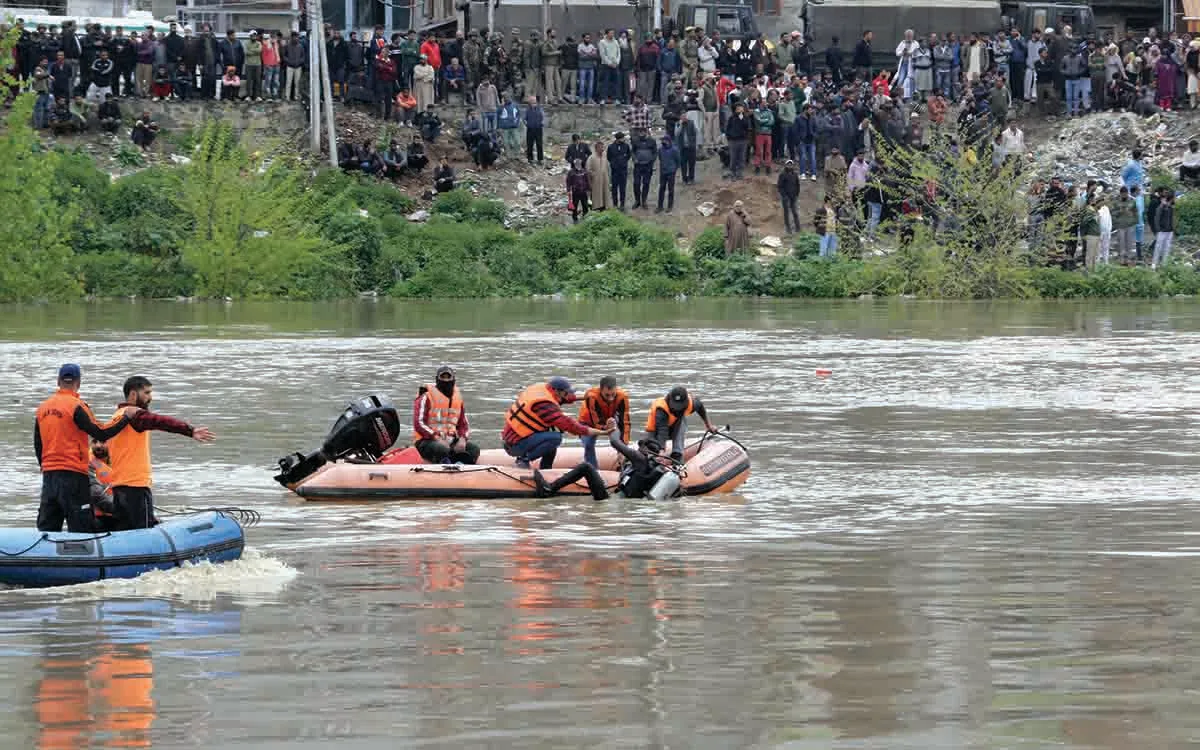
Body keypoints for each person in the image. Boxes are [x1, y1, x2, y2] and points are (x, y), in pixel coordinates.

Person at [34, 364, 138, 532]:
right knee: (82, 527)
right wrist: (126, 417)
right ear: (78, 383)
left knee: (47, 528)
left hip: (49, 476)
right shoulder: (77, 406)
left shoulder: (42, 408)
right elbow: (101, 433)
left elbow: (38, 444)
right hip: (74, 475)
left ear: (58, 381)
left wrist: (45, 467)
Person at [105, 376, 215, 531]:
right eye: (146, 393)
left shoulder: (116, 416)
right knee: (142, 532)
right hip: (135, 486)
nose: (150, 397)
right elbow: (160, 421)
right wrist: (190, 430)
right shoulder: (135, 415)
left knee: (126, 530)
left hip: (119, 486)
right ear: (133, 394)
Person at [502, 376, 614, 469]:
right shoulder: (545, 405)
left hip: (516, 438)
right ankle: (523, 460)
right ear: (556, 391)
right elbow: (572, 427)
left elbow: (565, 398)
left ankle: (546, 470)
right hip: (515, 444)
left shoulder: (542, 389)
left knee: (551, 444)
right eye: (565, 393)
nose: (567, 395)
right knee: (555, 438)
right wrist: (602, 432)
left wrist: (587, 397)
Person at [411, 365, 479, 464]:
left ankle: (460, 465)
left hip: (450, 440)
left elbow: (464, 425)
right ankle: (447, 466)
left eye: (448, 378)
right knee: (441, 449)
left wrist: (462, 439)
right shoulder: (426, 397)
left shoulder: (458, 399)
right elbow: (419, 423)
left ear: (453, 380)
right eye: (443, 377)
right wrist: (437, 438)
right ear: (437, 379)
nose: (446, 381)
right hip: (427, 441)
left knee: (474, 449)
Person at [644, 386, 716, 461]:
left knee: (681, 420)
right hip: (655, 431)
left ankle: (677, 453)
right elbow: (662, 431)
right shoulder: (661, 409)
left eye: (680, 405)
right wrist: (661, 450)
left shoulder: (692, 403)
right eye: (675, 405)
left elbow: (701, 407)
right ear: (670, 400)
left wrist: (709, 426)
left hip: (674, 428)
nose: (677, 408)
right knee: (653, 449)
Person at [578, 376, 631, 468]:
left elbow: (625, 422)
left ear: (616, 389)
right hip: (588, 422)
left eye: (613, 395)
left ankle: (622, 463)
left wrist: (623, 446)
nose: (610, 398)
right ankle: (592, 469)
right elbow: (595, 422)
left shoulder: (622, 397)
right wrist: (605, 428)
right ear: (600, 390)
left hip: (610, 421)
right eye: (607, 395)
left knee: (618, 442)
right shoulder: (592, 397)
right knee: (588, 444)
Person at [610, 434, 675, 499]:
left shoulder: (639, 458)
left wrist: (614, 430)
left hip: (625, 496)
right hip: (638, 498)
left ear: (644, 448)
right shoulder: (655, 465)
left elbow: (614, 441)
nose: (638, 449)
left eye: (640, 446)